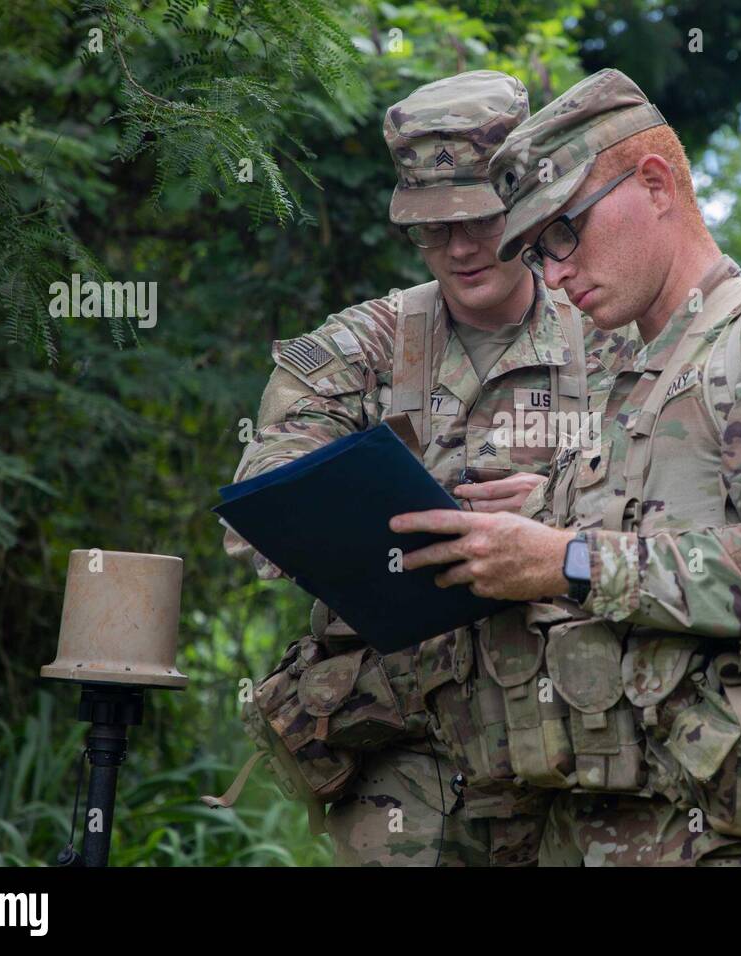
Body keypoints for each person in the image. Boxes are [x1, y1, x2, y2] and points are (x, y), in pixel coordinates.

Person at [389, 68, 741, 866]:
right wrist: (554, 511)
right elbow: (683, 516)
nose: (554, 272)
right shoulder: (632, 384)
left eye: (563, 233)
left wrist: (565, 558)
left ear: (654, 183)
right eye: (536, 250)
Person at [217, 69, 635, 866]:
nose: (461, 248)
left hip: (581, 744)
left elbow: (699, 511)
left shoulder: (617, 334)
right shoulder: (363, 344)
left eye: (479, 218)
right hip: (407, 754)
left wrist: (558, 509)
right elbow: (262, 518)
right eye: (431, 228)